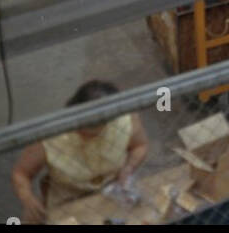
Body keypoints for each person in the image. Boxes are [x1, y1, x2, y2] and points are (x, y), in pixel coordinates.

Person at [10, 80, 148, 223]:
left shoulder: (124, 119)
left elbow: (140, 146)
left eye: (97, 130)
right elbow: (21, 173)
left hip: (110, 195)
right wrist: (27, 198)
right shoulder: (50, 135)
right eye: (83, 130)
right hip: (65, 202)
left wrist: (127, 168)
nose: (88, 135)